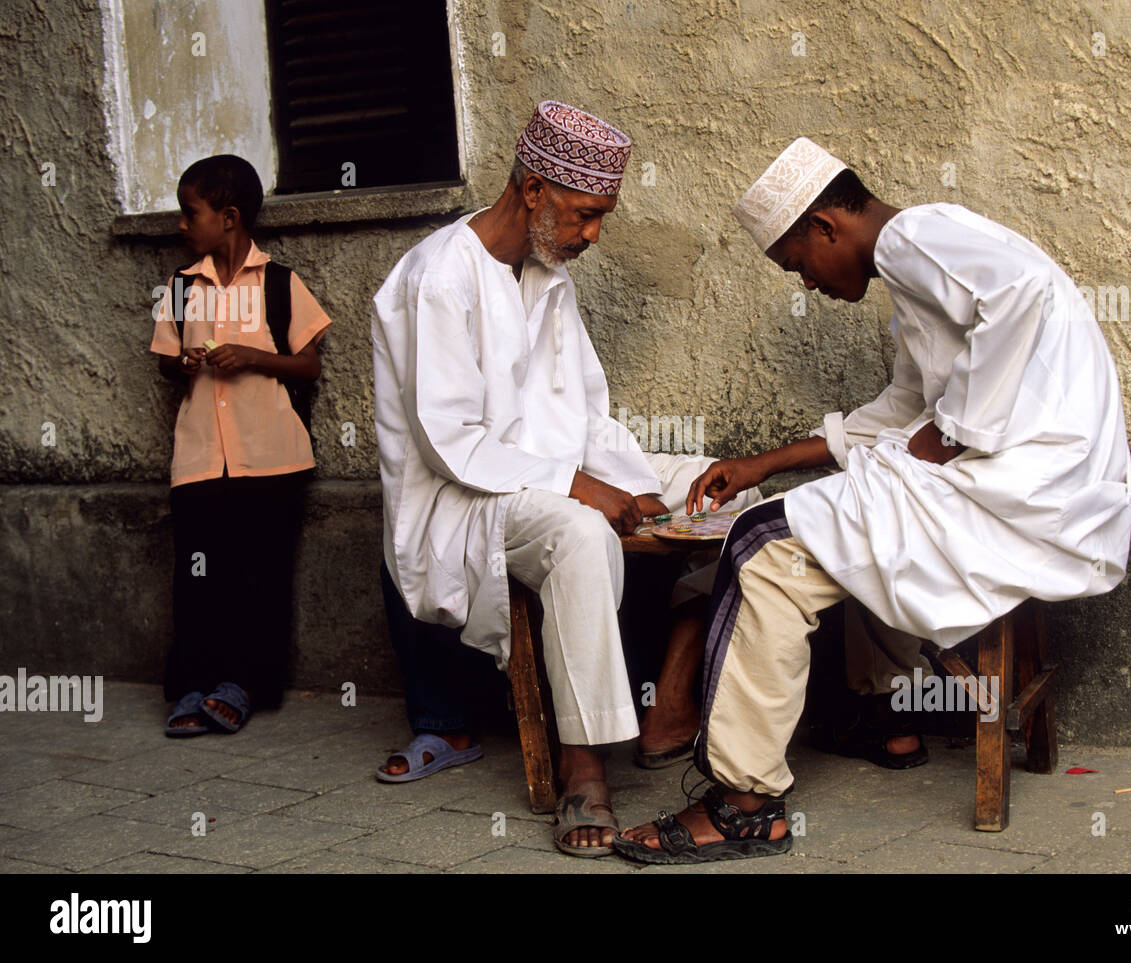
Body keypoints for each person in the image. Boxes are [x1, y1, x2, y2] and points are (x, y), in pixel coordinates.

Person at [615, 137, 1131, 864]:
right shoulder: (918, 279)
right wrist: (767, 460)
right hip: (1039, 496)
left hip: (1023, 492)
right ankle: (880, 712)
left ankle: (742, 803)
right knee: (847, 507)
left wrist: (953, 433)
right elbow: (898, 413)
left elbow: (1017, 296)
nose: (808, 285)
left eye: (798, 264)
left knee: (765, 543)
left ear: (827, 227)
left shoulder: (917, 236)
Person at [370, 101, 759, 857]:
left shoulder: (547, 276)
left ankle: (673, 696)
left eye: (602, 216)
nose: (593, 235)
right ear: (533, 190)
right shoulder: (436, 277)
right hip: (465, 499)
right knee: (580, 533)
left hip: (554, 476)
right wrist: (587, 489)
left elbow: (585, 414)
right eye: (585, 215)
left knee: (727, 489)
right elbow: (450, 442)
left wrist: (634, 482)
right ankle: (585, 769)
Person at [152, 154, 330, 737]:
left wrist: (252, 356)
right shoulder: (181, 287)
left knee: (261, 575)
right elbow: (164, 362)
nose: (182, 224)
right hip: (202, 457)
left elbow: (307, 365)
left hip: (270, 458)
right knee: (200, 577)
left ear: (228, 217)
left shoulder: (279, 283)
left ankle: (245, 684)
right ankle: (195, 683)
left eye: (190, 212)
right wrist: (184, 361)